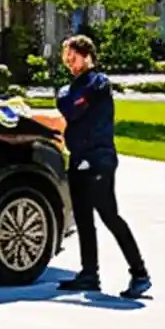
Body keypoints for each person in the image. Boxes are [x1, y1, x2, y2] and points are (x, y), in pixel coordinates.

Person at [54, 34, 152, 299]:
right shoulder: (73, 87)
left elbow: (71, 108)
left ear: (86, 56)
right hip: (78, 158)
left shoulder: (99, 83)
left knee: (109, 215)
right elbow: (66, 108)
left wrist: (66, 100)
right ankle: (89, 274)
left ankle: (140, 273)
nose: (69, 64)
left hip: (99, 159)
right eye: (66, 60)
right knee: (84, 219)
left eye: (72, 58)